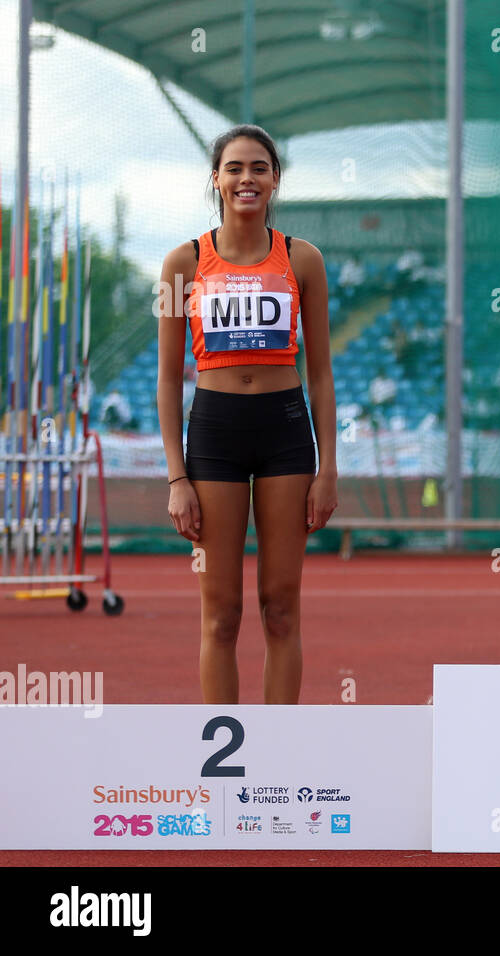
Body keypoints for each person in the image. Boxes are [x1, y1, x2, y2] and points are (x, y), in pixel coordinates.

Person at [158, 124, 338, 705]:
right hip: (213, 435)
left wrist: (328, 468)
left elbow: (321, 374)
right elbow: (166, 380)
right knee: (221, 615)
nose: (246, 179)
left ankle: (277, 756)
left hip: (286, 432)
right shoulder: (180, 264)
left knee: (281, 610)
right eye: (234, 168)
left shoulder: (302, 259)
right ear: (215, 179)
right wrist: (177, 478)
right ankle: (224, 771)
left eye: (259, 168)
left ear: (276, 179)